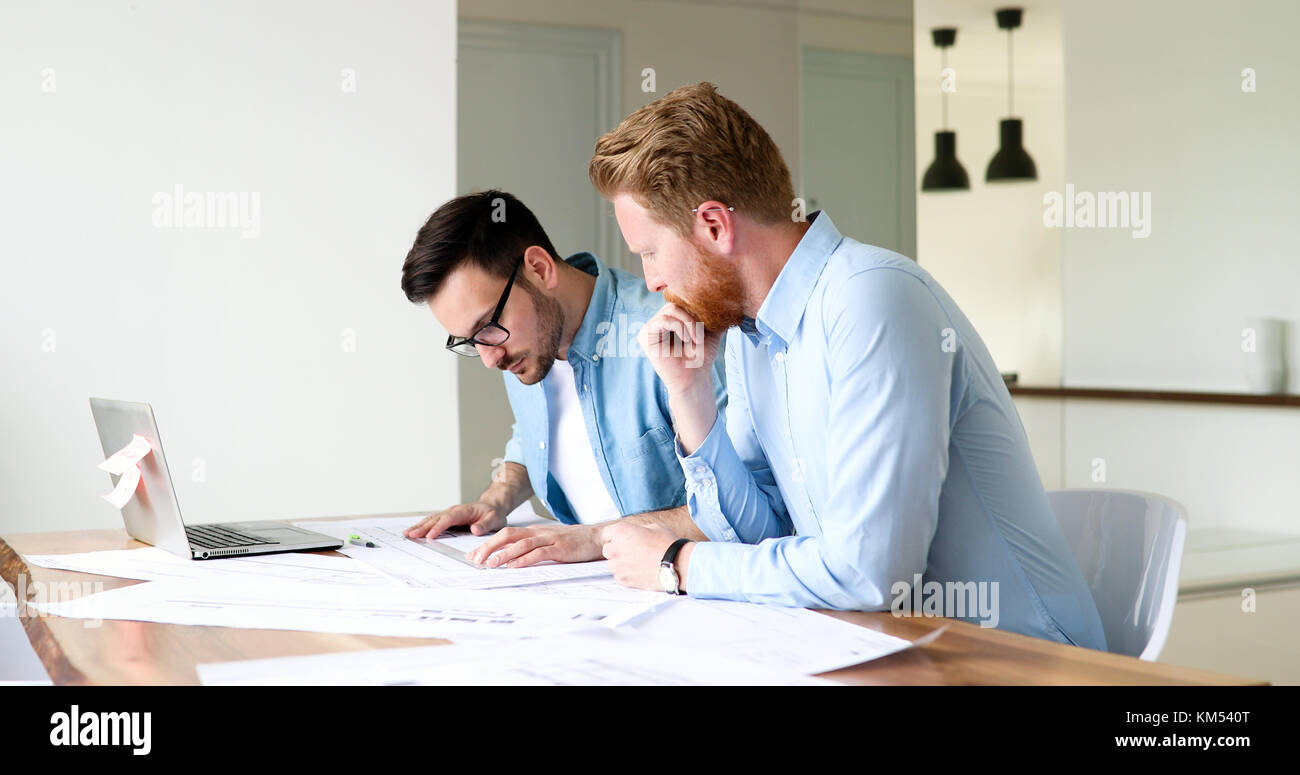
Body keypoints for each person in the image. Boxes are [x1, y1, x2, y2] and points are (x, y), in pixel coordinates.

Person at [591, 83, 1106, 649]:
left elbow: (870, 572)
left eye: (648, 253)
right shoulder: (747, 335)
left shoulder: (872, 298)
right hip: (885, 646)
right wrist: (689, 396)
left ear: (714, 225)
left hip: (1020, 659)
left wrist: (677, 564)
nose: (651, 281)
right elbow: (761, 537)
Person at [399, 190, 725, 568]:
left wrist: (593, 538)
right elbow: (534, 437)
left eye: (488, 327)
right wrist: (495, 500)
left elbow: (743, 508)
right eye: (470, 341)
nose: (489, 358)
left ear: (539, 268)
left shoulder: (671, 336)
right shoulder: (525, 347)